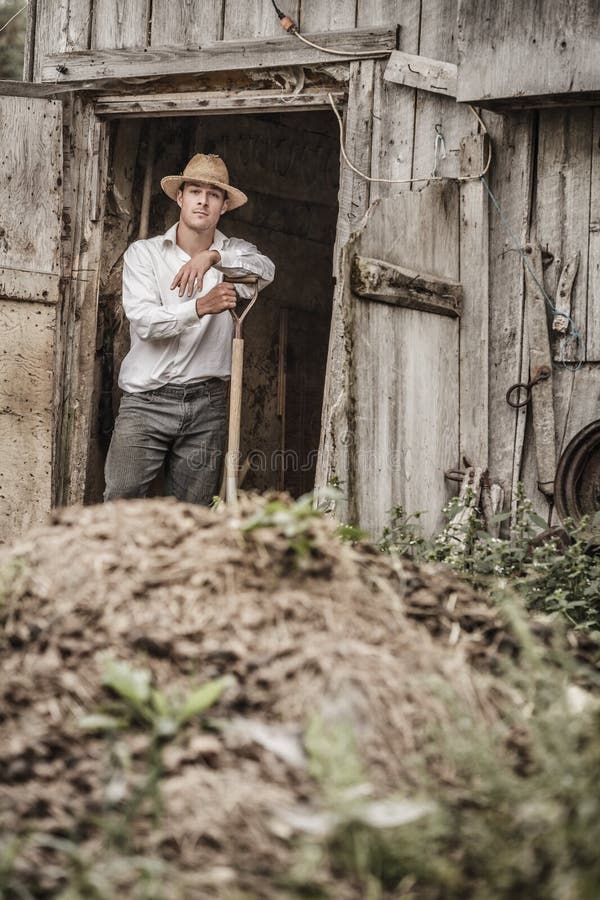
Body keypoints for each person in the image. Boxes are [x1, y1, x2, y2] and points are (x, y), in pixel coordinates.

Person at [103, 153, 275, 505]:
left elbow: (265, 270)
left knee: (194, 513)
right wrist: (200, 306)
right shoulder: (145, 255)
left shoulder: (233, 253)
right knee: (120, 502)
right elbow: (145, 322)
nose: (203, 200)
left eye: (213, 194)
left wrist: (213, 258)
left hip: (207, 404)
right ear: (179, 198)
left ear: (224, 206)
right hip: (146, 402)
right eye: (195, 191)